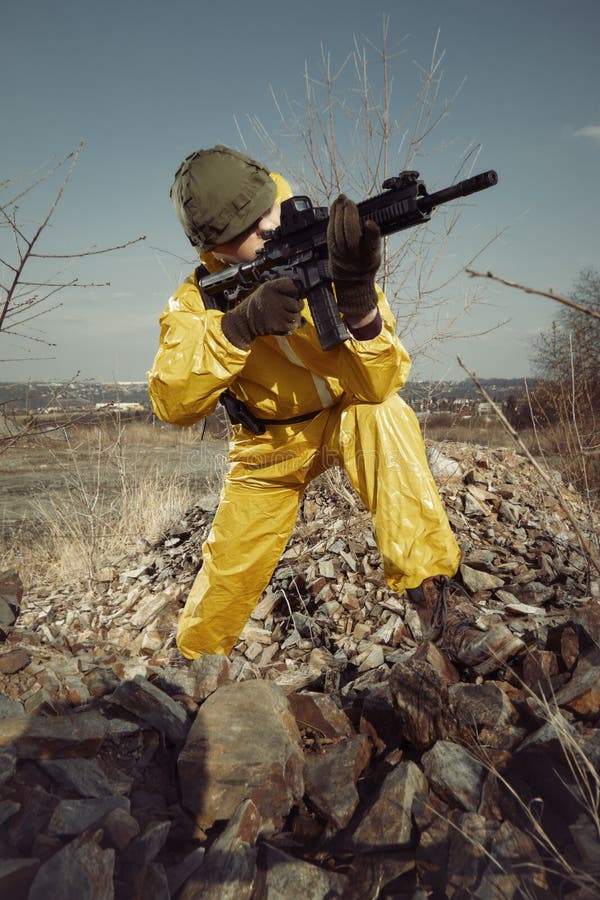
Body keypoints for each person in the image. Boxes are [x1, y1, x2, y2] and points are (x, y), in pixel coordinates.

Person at [147, 145, 524, 675]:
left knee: (384, 414)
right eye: (243, 232)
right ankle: (188, 675)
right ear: (213, 247)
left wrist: (359, 305)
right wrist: (236, 327)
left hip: (345, 419)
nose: (263, 232)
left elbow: (381, 382)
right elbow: (171, 403)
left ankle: (443, 610)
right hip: (266, 447)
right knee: (227, 575)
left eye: (265, 213)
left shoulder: (328, 243)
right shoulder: (197, 301)